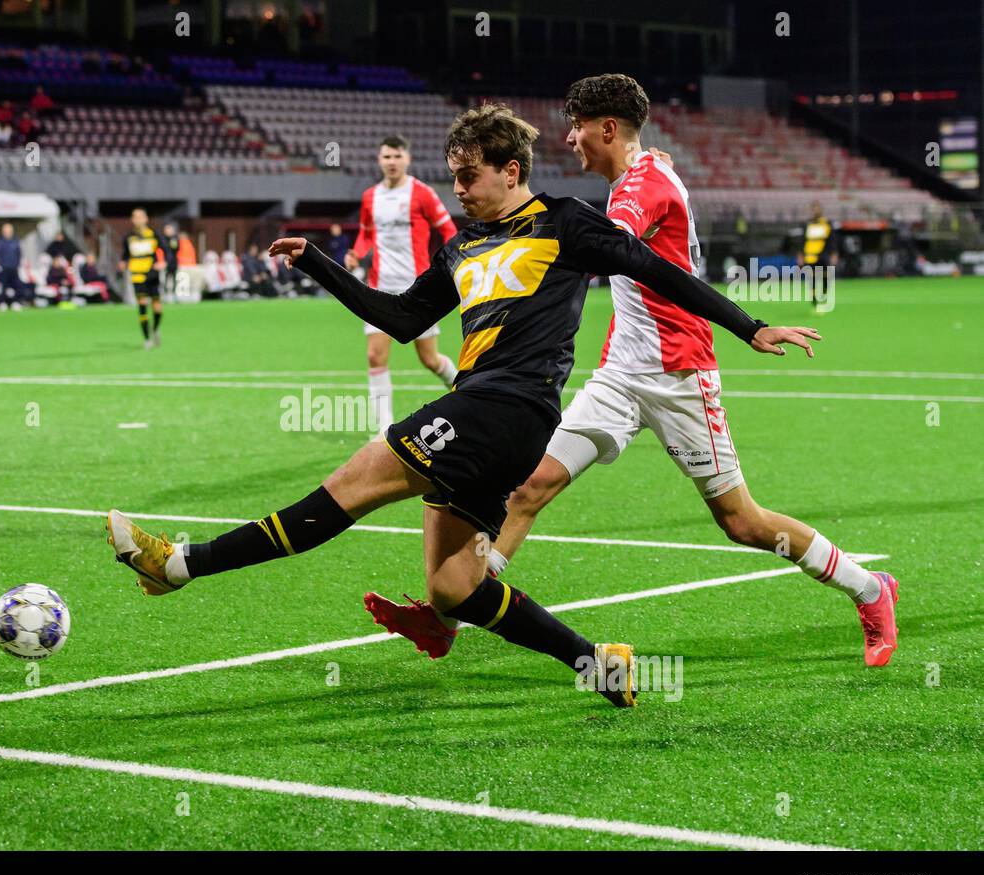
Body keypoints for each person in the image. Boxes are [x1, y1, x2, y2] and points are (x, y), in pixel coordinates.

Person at [102, 104, 817, 707]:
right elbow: (403, 318)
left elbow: (660, 270)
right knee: (453, 588)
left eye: (469, 177)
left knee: (351, 485)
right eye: (453, 178)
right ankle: (597, 664)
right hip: (483, 411)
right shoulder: (463, 246)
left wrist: (750, 326)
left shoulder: (566, 221)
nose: (460, 190)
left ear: (511, 170)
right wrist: (317, 262)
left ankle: (180, 566)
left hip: (510, 408)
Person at [480, 75, 898, 667]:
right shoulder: (643, 172)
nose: (569, 139)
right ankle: (457, 608)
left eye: (577, 127)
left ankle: (871, 588)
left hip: (679, 376)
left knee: (743, 522)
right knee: (528, 488)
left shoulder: (639, 191)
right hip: (619, 375)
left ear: (606, 128)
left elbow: (607, 241)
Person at [345, 135, 461, 432]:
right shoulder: (371, 196)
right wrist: (356, 254)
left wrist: (452, 264)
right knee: (375, 356)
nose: (392, 162)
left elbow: (448, 229)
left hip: (417, 289)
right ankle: (383, 429)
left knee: (429, 359)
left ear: (407, 159)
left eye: (397, 156)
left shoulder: (422, 193)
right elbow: (366, 234)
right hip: (380, 287)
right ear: (379, 160)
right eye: (386, 157)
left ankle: (460, 387)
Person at [117, 207, 167, 349]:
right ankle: (146, 339)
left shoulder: (153, 234)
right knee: (142, 304)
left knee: (157, 307)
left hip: (152, 273)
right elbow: (126, 254)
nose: (138, 219)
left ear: (146, 219)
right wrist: (123, 262)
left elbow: (166, 249)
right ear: (132, 220)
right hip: (137, 274)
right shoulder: (128, 237)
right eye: (135, 217)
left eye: (141, 216)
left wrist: (163, 262)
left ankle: (155, 328)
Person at [0, 223, 24, 308]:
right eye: (5, 231)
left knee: (16, 285)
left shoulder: (15, 241)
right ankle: (2, 302)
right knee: (3, 286)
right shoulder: (0, 242)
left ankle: (16, 302)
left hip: (14, 267)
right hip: (4, 267)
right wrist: (0, 265)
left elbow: (19, 254)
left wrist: (17, 264)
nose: (7, 232)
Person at [160, 222, 181, 302]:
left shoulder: (175, 238)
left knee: (175, 279)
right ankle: (165, 296)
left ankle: (175, 296)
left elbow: (176, 248)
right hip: (166, 262)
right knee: (165, 279)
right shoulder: (163, 239)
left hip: (174, 262)